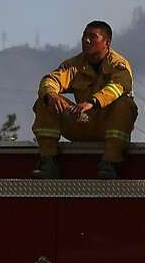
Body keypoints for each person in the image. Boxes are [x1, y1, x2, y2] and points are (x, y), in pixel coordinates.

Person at [31, 21, 137, 179]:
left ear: (106, 43)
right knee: (45, 101)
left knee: (125, 104)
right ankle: (48, 161)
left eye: (92, 37)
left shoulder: (119, 65)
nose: (86, 40)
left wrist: (93, 102)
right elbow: (51, 80)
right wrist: (50, 94)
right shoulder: (73, 65)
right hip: (80, 122)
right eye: (84, 36)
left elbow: (118, 86)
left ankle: (110, 162)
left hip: (106, 125)